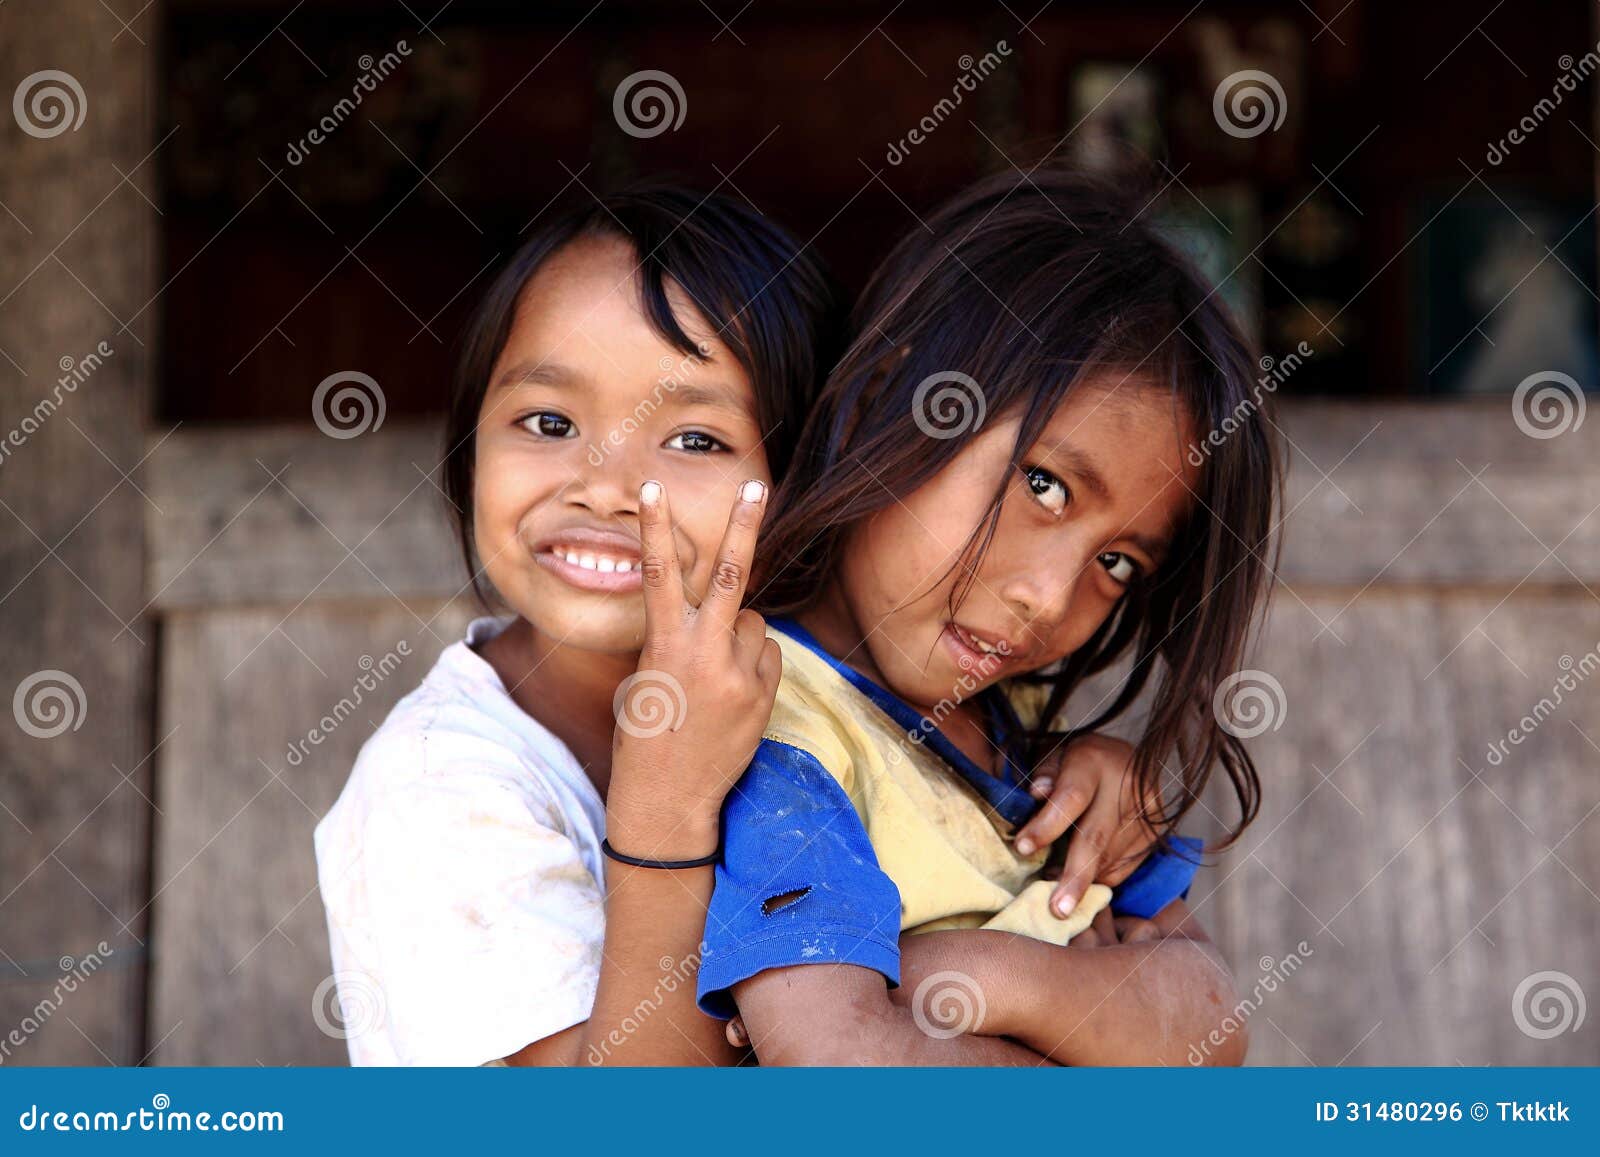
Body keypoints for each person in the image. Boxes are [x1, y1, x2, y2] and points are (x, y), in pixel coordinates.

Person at [694, 166, 1279, 1064]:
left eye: (1116, 562)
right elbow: (846, 1071)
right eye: (1043, 484)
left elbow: (1214, 1025)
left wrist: (980, 975)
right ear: (880, 405)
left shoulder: (1042, 747)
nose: (1048, 597)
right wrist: (1105, 1029)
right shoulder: (783, 737)